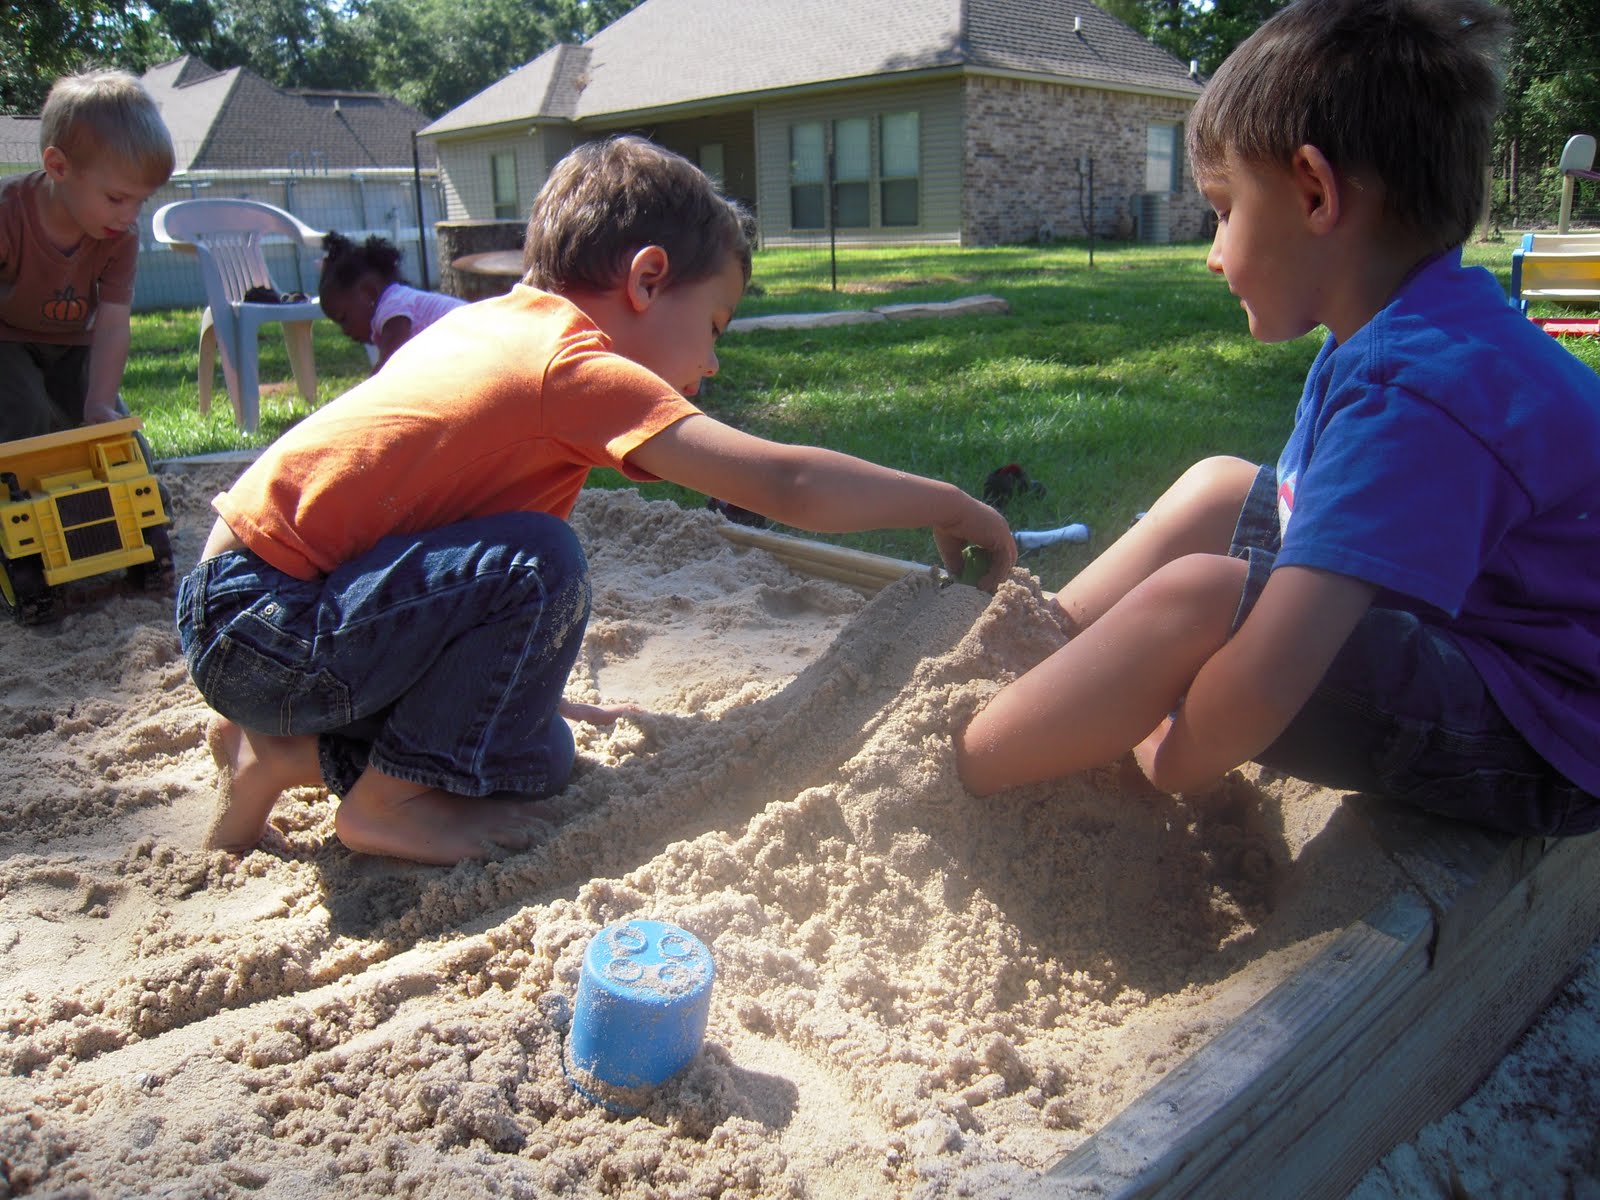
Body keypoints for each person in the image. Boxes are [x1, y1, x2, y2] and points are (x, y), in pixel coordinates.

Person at [177, 135, 1016, 866]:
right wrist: (949, 506)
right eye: (716, 325)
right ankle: (383, 804)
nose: (713, 364)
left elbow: (437, 562)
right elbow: (783, 483)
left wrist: (516, 687)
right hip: (270, 624)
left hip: (265, 613)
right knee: (540, 561)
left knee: (534, 757)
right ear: (648, 278)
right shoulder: (569, 366)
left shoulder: (491, 328)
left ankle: (276, 758)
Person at [957, 0, 1600, 839]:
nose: (1213, 251)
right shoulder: (1406, 331)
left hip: (1553, 729)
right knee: (1220, 489)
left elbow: (1259, 685)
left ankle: (960, 766)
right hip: (1493, 628)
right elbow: (1312, 530)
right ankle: (1028, 658)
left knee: (1204, 598)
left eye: (1224, 209)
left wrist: (1158, 744)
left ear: (1314, 191)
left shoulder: (1421, 392)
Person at [0, 70, 174, 443]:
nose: (130, 216)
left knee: (116, 437)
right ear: (59, 167)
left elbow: (112, 323)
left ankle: (142, 502)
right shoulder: (7, 215)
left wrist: (99, 402)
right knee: (25, 415)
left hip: (74, 346)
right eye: (116, 198)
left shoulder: (118, 233)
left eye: (140, 201)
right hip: (6, 342)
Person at [317, 231, 465, 372]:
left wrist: (364, 392)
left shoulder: (392, 307)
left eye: (344, 318)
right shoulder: (399, 299)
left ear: (369, 292)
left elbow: (390, 367)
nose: (345, 331)